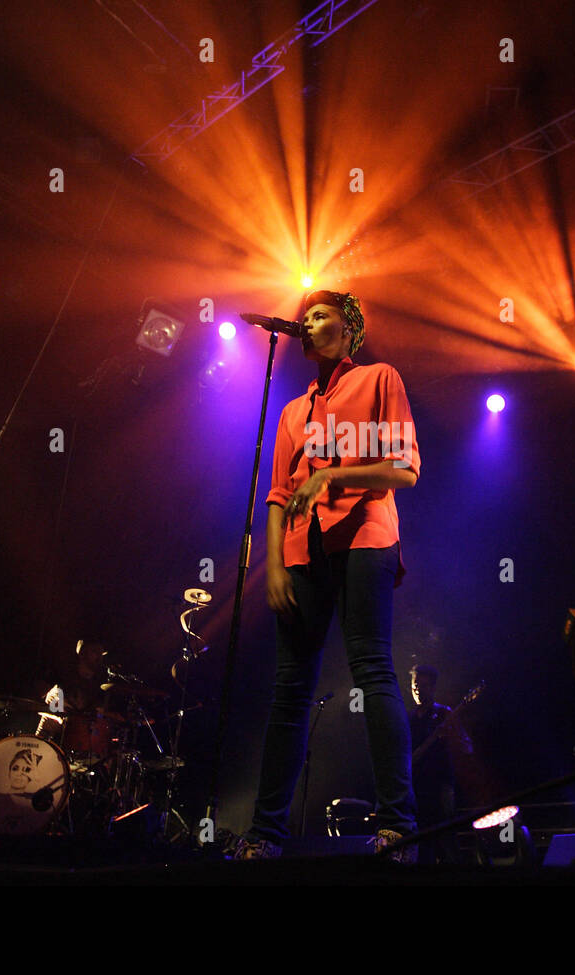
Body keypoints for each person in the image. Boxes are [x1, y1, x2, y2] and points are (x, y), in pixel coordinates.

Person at [234, 290, 420, 861]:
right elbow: (277, 494)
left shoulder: (380, 378)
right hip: (302, 551)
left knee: (373, 671)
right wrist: (272, 566)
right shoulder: (294, 410)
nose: (309, 324)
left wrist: (334, 480)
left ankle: (398, 825)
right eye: (307, 316)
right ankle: (266, 835)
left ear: (349, 329)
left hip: (365, 537)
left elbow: (404, 469)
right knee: (289, 692)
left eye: (322, 316)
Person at [407, 665, 473, 864]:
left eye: (423, 685)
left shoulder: (445, 714)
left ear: (433, 688)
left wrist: (449, 738)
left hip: (440, 785)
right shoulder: (408, 717)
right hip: (416, 786)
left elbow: (466, 747)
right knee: (420, 839)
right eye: (414, 685)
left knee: (445, 835)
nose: (417, 690)